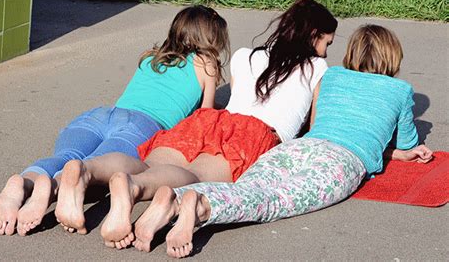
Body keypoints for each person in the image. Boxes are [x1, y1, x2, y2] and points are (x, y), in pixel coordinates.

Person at [53, 0, 337, 250]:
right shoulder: (318, 68)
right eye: (327, 43)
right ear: (314, 36)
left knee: (149, 164)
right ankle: (134, 188)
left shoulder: (244, 56)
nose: (325, 52)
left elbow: (233, 103)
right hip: (254, 134)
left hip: (210, 121)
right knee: (195, 176)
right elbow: (314, 126)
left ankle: (88, 170)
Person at [140, 24, 434, 259]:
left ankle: (177, 199)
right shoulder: (400, 90)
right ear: (394, 57)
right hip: (341, 161)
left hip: (301, 147)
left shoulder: (332, 76)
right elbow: (406, 142)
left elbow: (317, 123)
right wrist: (403, 152)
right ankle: (202, 206)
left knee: (247, 187)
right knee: (273, 200)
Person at [0, 5, 230, 236]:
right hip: (142, 126)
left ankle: (24, 182)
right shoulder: (205, 62)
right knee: (92, 168)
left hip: (103, 115)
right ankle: (53, 188)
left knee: (65, 157)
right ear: (211, 41)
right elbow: (204, 116)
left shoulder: (152, 58)